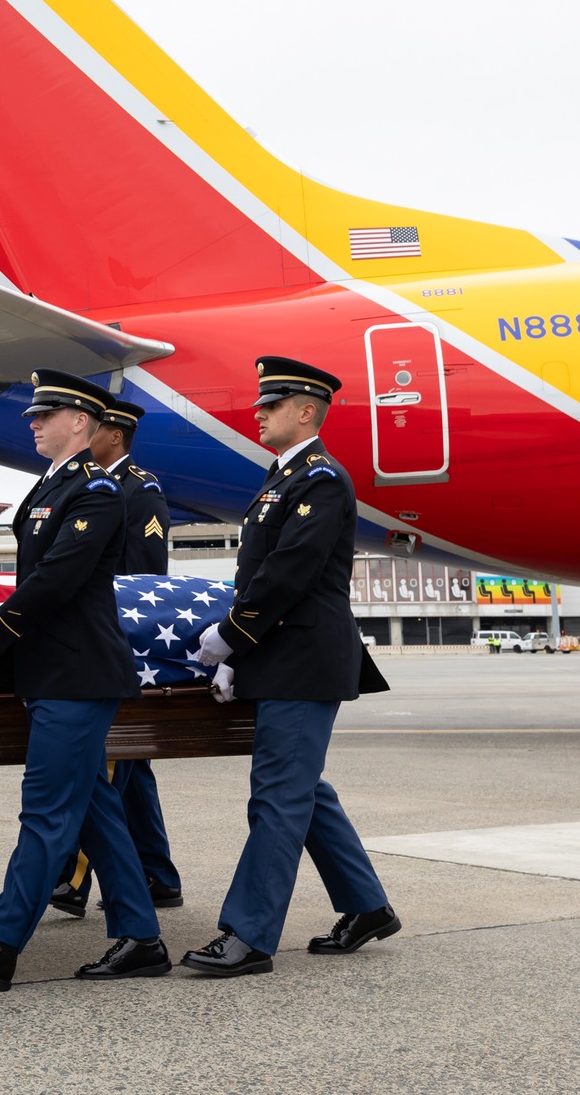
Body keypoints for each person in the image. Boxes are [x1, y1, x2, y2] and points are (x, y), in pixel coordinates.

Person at [0, 369, 170, 990]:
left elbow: (60, 576)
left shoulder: (95, 491)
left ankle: (1, 939)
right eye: (34, 415)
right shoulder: (50, 487)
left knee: (45, 810)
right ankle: (141, 937)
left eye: (45, 415)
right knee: (94, 811)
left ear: (82, 422)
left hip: (76, 673)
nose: (32, 423)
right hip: (52, 672)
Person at [181, 356, 398, 979]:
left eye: (271, 405)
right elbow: (260, 576)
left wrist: (230, 637)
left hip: (303, 660)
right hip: (280, 657)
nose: (259, 414)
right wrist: (238, 653)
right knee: (303, 790)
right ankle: (367, 905)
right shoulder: (282, 480)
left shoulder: (321, 479)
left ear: (306, 411)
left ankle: (248, 935)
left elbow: (288, 575)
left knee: (277, 796)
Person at [52, 393, 183, 918]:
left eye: (98, 427)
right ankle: (157, 874)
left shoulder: (138, 488)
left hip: (122, 640)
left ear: (114, 434)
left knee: (107, 767)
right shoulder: (89, 484)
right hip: (102, 637)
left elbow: (146, 579)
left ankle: (74, 877)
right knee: (131, 764)